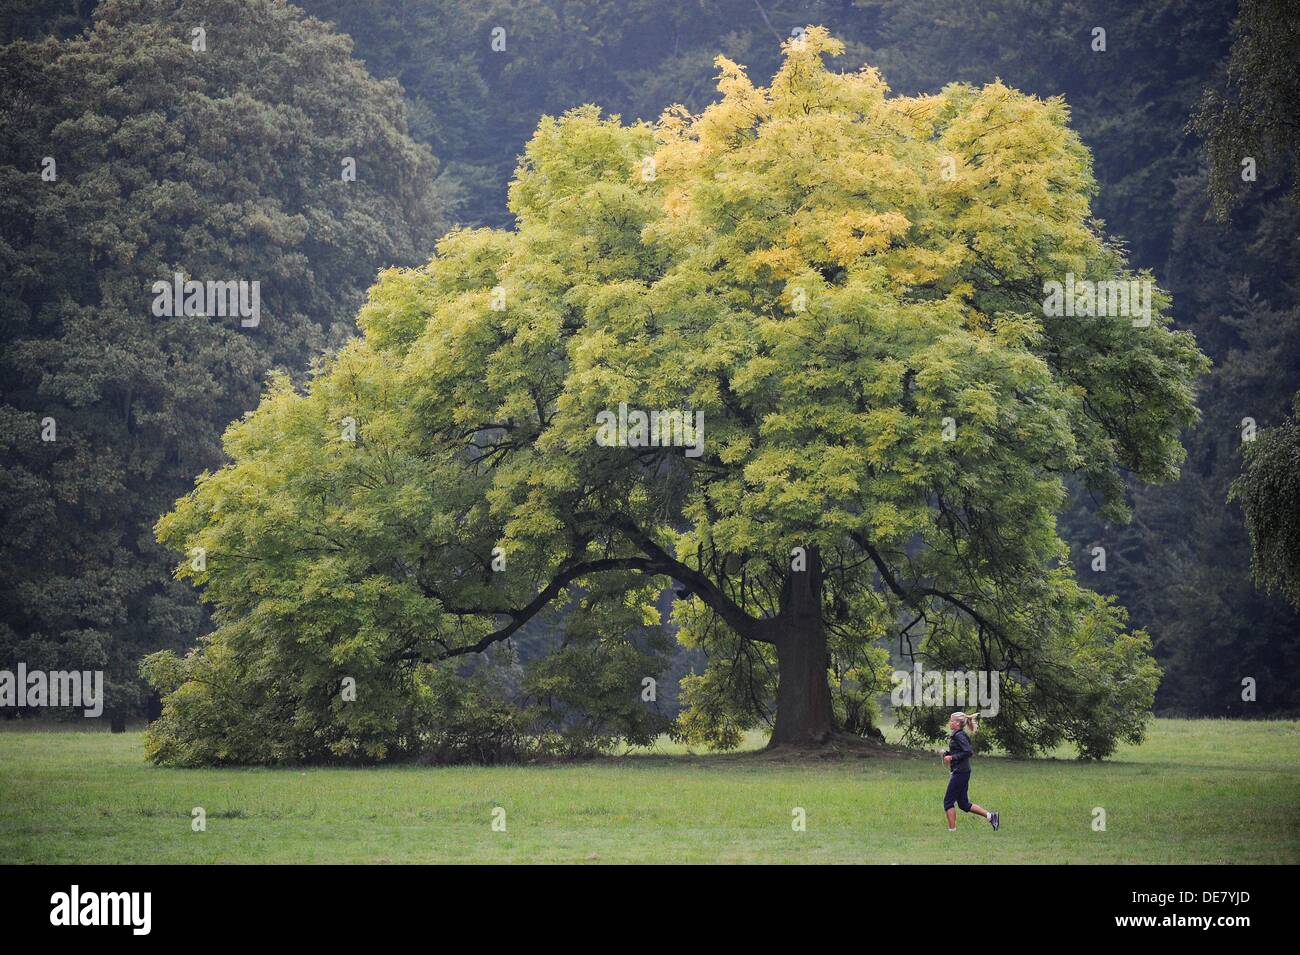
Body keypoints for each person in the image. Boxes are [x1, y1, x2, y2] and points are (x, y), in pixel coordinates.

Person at [943, 711, 999, 832]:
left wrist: (952, 757)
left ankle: (952, 832)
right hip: (961, 771)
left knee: (948, 802)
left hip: (960, 772)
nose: (950, 723)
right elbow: (961, 751)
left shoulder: (959, 735)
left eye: (952, 720)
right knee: (963, 804)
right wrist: (948, 754)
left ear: (957, 723)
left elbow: (968, 752)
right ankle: (991, 816)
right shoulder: (957, 734)